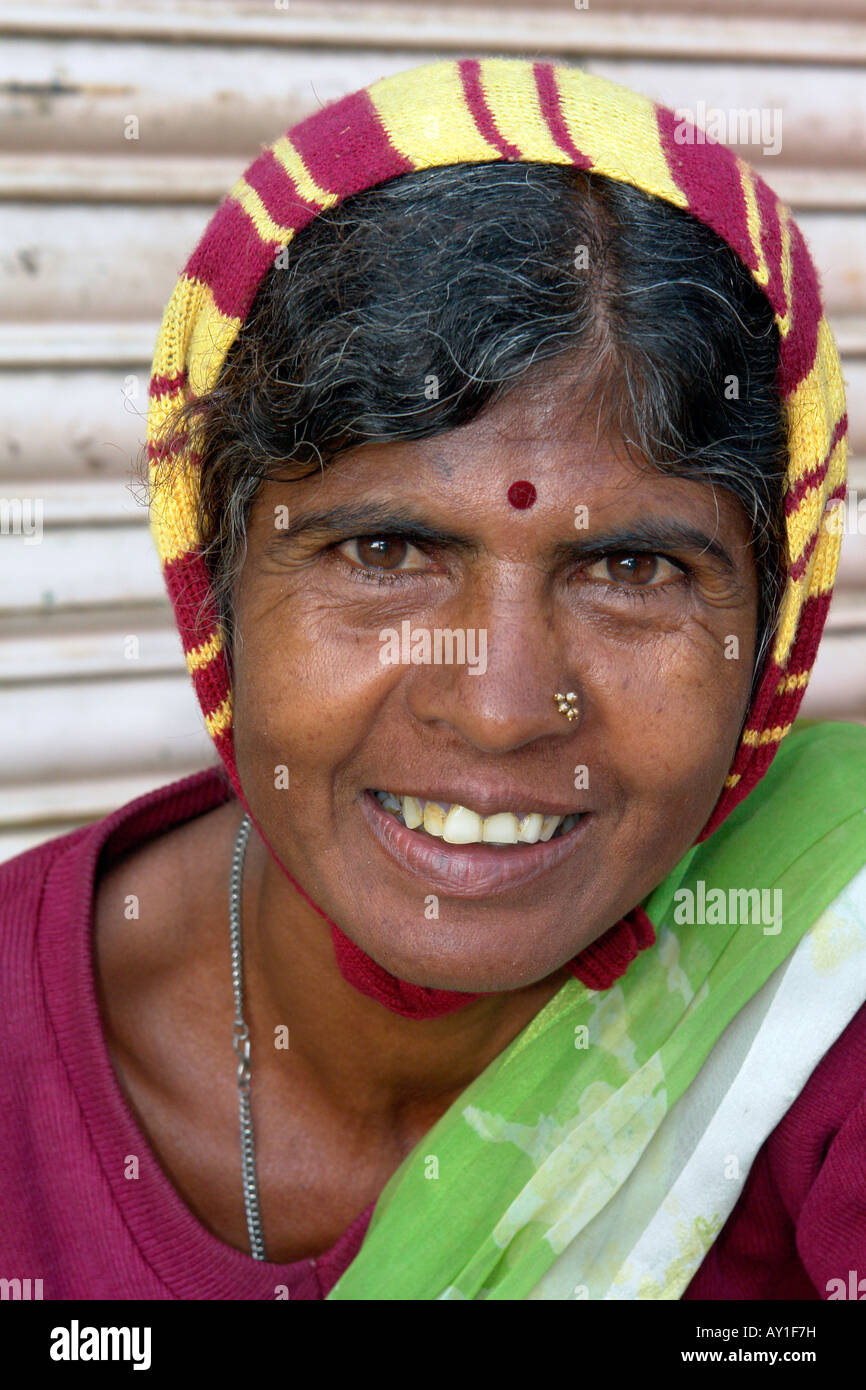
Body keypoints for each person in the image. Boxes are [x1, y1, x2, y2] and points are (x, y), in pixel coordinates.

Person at [2, 57, 865, 1301]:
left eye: (630, 567)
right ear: (213, 583)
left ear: (773, 630)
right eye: (384, 550)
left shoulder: (821, 979)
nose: (501, 704)